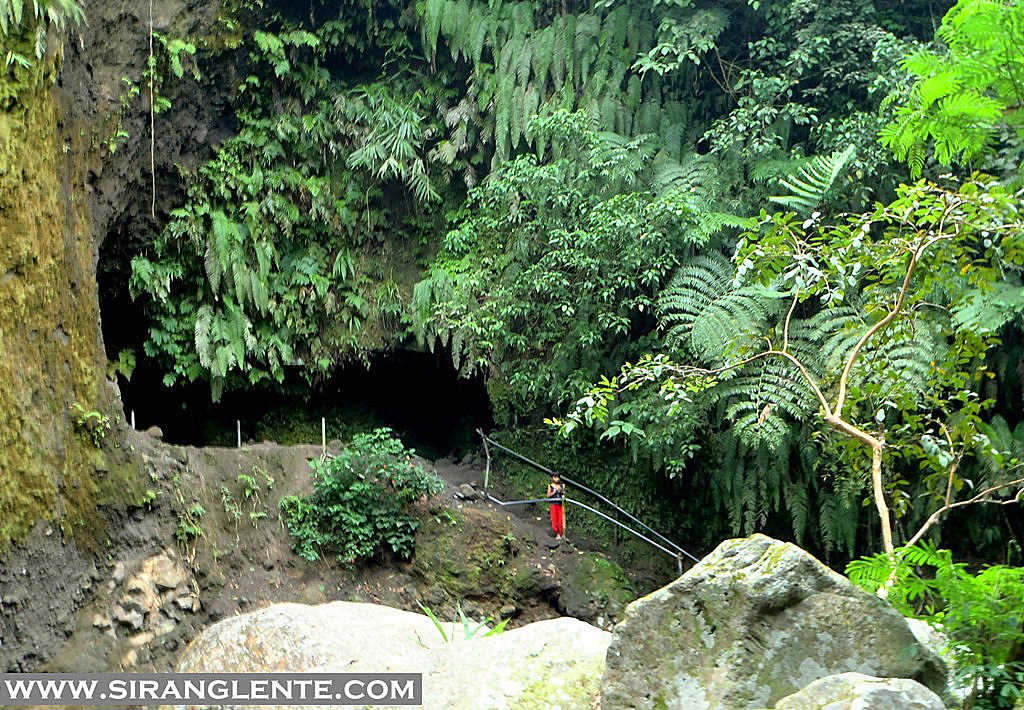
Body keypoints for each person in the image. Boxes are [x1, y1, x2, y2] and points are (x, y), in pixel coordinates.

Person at [546, 472, 565, 539]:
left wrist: (561, 491)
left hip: (560, 505)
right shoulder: (550, 486)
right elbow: (548, 495)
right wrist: (554, 492)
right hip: (553, 504)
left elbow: (564, 494)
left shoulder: (562, 485)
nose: (557, 479)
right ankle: (557, 534)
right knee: (554, 520)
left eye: (558, 477)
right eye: (555, 477)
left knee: (561, 520)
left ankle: (562, 533)